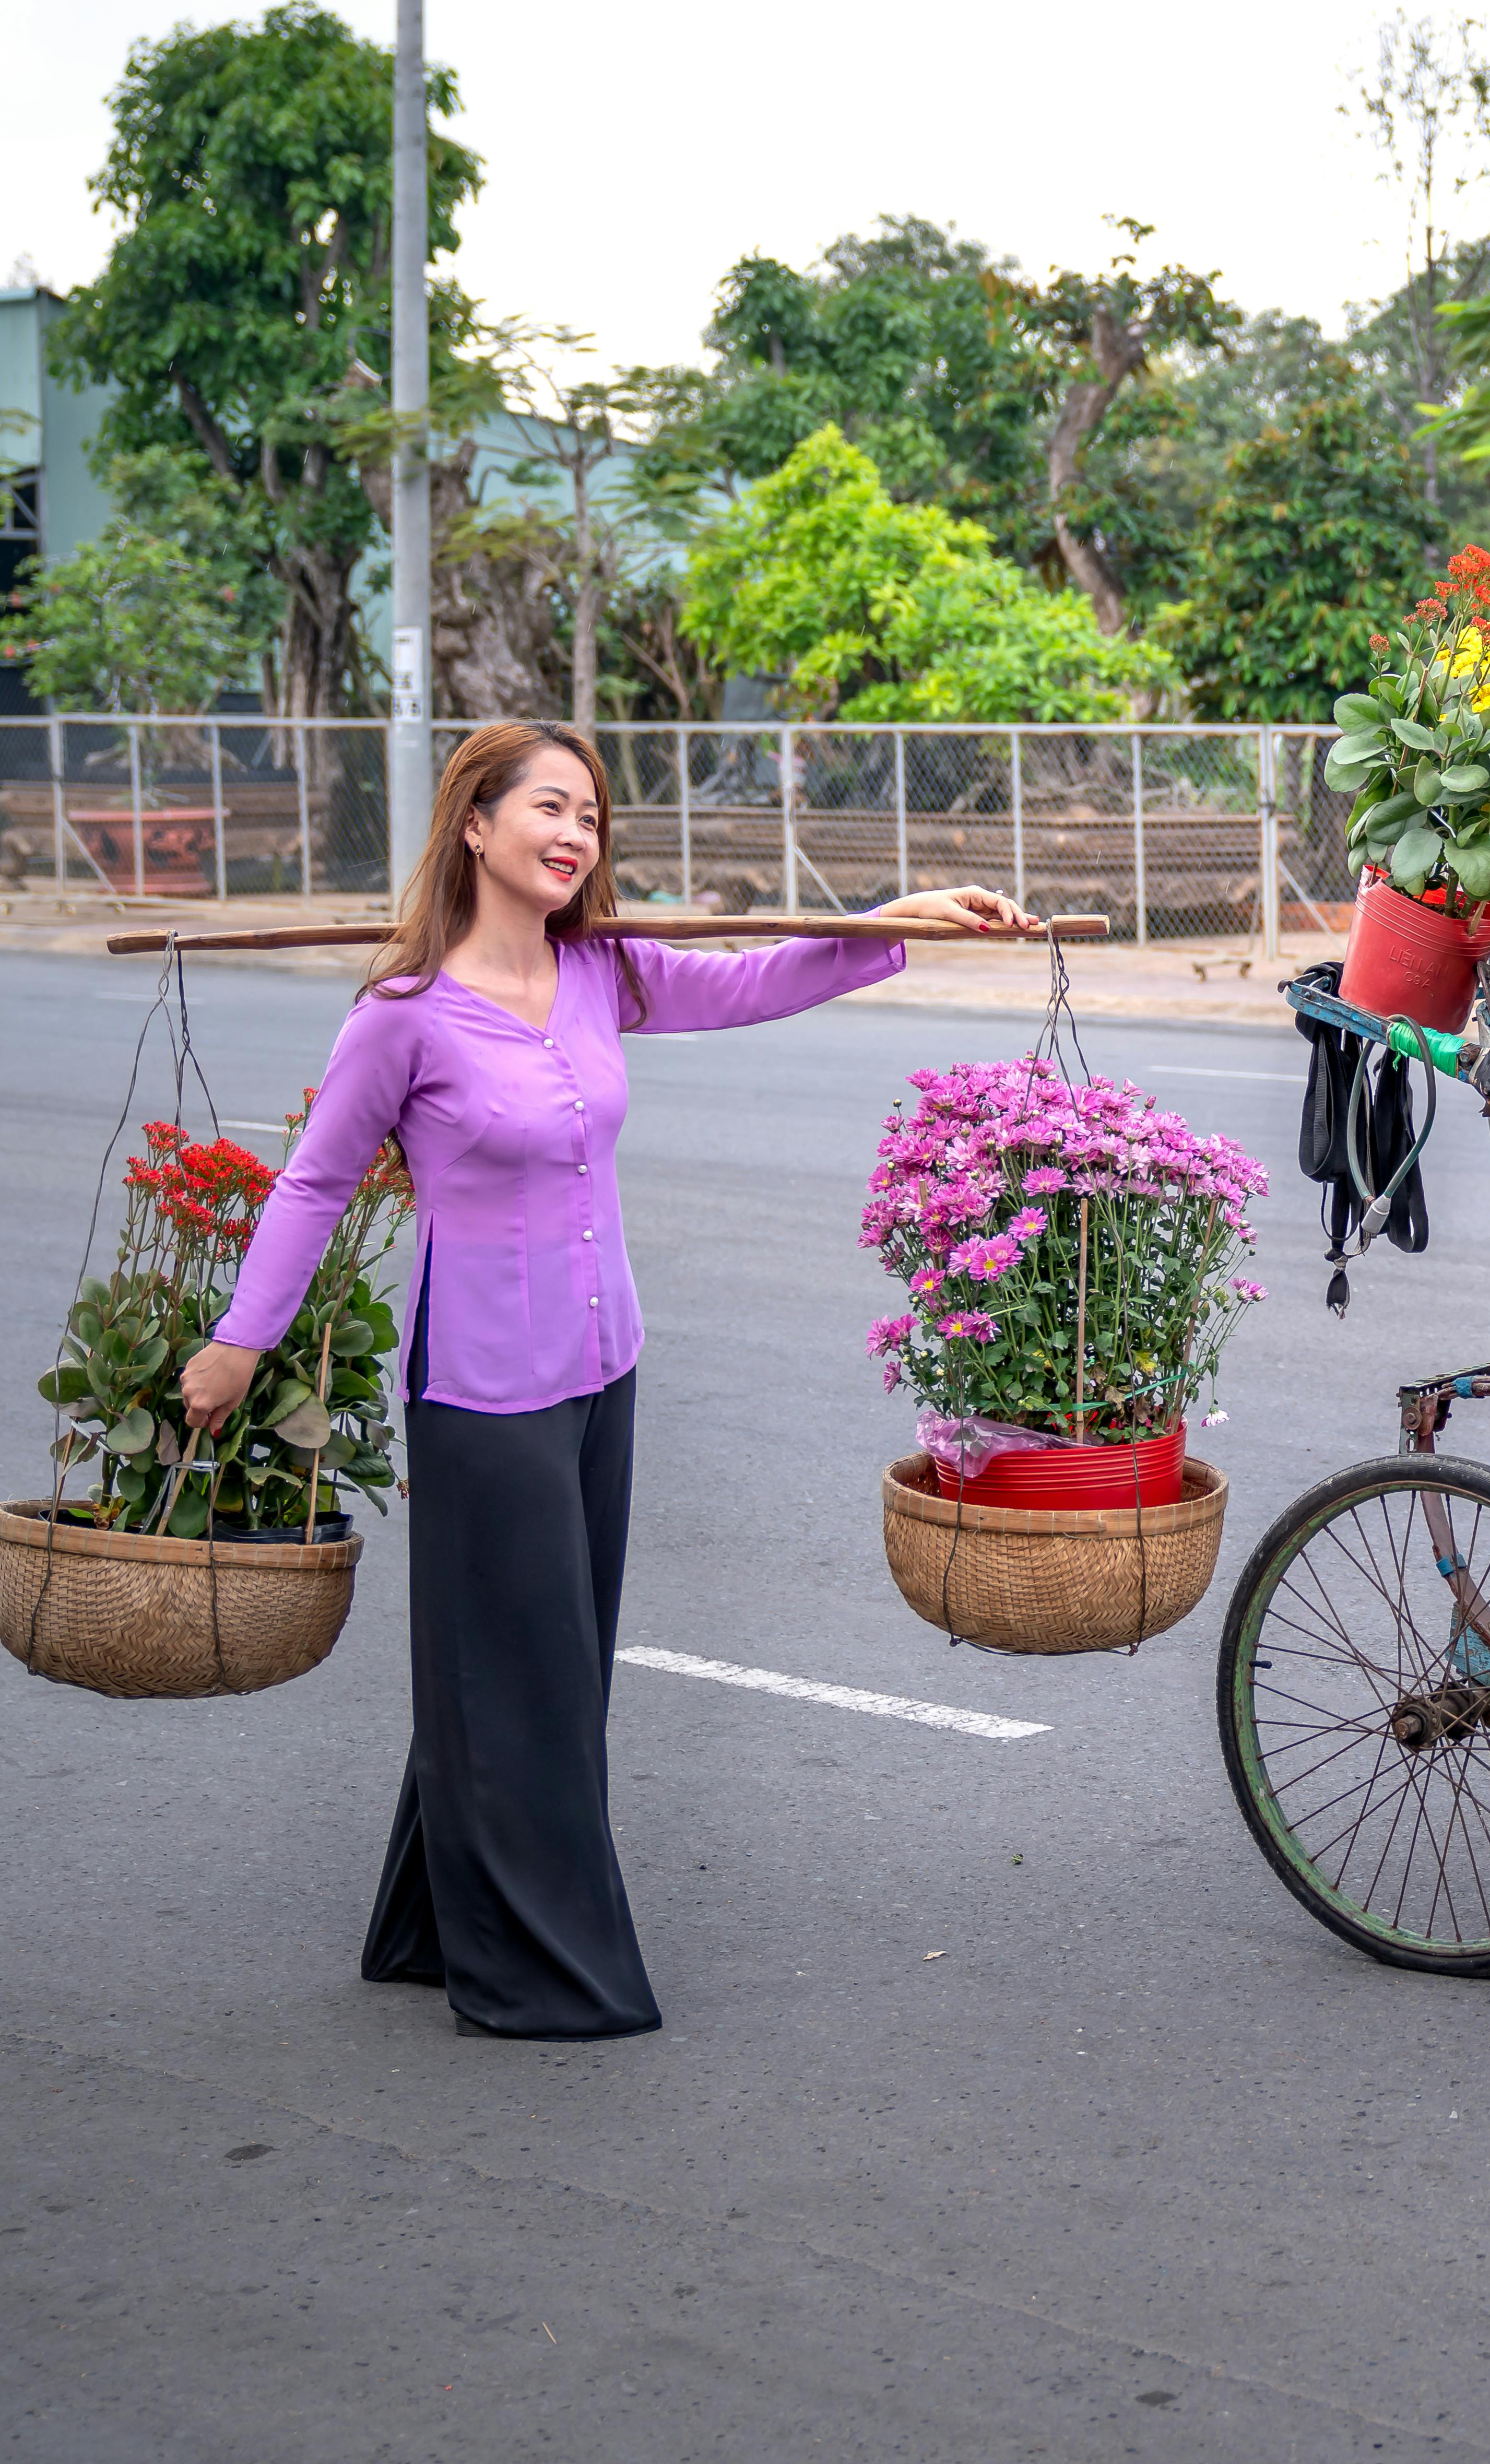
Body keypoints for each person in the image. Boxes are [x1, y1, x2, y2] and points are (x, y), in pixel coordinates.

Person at [178, 722, 1026, 2039]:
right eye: (550, 810)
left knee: (534, 1662)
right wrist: (242, 1339)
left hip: (599, 1364)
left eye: (591, 818)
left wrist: (888, 922)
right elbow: (315, 1182)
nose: (576, 837)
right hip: (482, 1389)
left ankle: (424, 1927)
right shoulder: (403, 1018)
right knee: (529, 1676)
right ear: (475, 825)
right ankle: (536, 1968)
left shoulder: (600, 973)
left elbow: (753, 981)